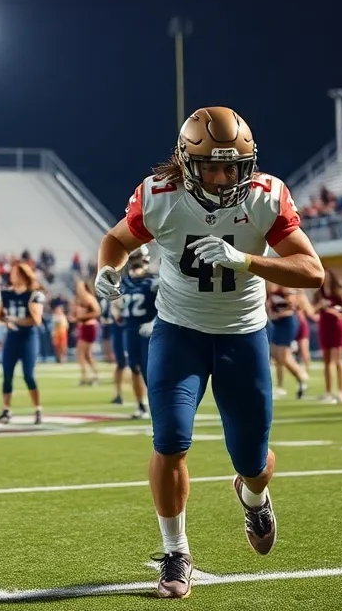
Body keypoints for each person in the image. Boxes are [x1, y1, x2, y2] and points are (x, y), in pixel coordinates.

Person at [94, 106, 324, 599]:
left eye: (233, 167)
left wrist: (246, 259)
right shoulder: (159, 196)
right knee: (170, 440)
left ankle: (254, 497)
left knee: (252, 460)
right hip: (180, 333)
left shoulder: (267, 195)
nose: (223, 178)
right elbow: (115, 240)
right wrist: (108, 271)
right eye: (213, 167)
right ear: (186, 161)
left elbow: (312, 271)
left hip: (243, 335)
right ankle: (176, 550)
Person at [0, 262, 46, 424]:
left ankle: (38, 408)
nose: (11, 275)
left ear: (24, 275)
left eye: (15, 273)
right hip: (12, 337)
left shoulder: (33, 295)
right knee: (7, 375)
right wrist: (5, 320)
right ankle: (6, 409)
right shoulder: (6, 294)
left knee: (28, 375)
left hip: (28, 339)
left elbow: (36, 320)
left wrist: (15, 319)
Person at [120, 248, 159, 419]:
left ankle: (157, 405)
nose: (136, 263)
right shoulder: (125, 282)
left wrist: (154, 322)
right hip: (130, 330)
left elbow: (167, 306)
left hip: (147, 331)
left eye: (138, 258)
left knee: (147, 369)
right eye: (133, 258)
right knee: (134, 367)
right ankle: (141, 405)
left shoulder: (153, 282)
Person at [314, 270, 342, 404]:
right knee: (326, 361)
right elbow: (313, 310)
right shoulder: (319, 294)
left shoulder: (339, 294)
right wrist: (320, 306)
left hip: (337, 327)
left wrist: (338, 314)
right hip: (324, 327)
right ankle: (328, 392)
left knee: (338, 361)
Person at [265, 282, 308, 400]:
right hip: (276, 323)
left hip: (287, 322)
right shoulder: (271, 291)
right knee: (275, 354)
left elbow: (293, 308)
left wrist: (278, 315)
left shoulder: (286, 288)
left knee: (283, 356)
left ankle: (301, 376)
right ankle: (297, 377)